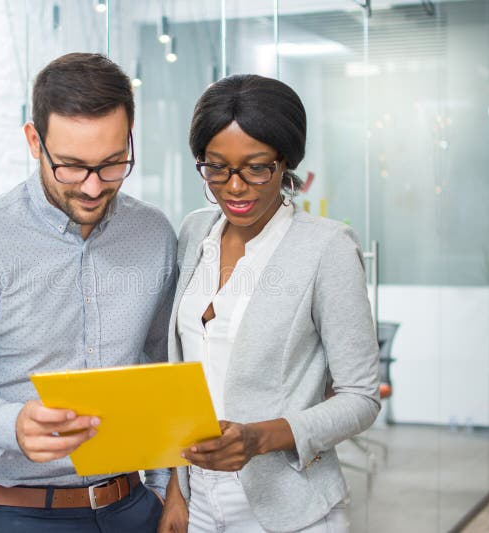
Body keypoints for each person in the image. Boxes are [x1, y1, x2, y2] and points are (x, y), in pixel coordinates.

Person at [0, 53, 177, 533]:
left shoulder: (154, 235)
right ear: (35, 141)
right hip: (8, 511)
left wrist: (161, 488)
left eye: (114, 164)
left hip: (131, 505)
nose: (94, 187)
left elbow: (161, 367)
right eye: (73, 167)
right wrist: (10, 425)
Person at [158, 74, 380, 533]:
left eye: (256, 167)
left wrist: (260, 437)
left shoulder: (326, 248)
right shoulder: (193, 234)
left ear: (286, 163)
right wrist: (175, 492)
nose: (235, 187)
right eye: (216, 167)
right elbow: (182, 376)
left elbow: (361, 397)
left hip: (290, 510)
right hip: (197, 504)